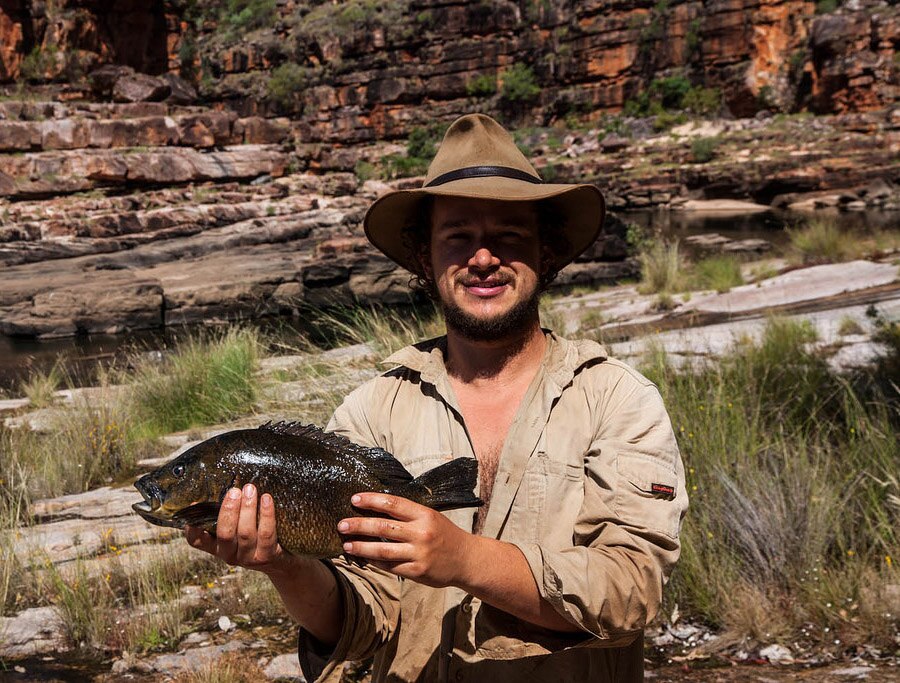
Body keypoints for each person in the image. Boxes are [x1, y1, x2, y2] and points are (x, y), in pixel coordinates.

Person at [185, 113, 688, 682]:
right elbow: (358, 622)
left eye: (509, 236)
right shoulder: (371, 413)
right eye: (458, 237)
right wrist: (284, 567)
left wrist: (465, 560)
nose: (482, 258)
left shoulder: (616, 400)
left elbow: (631, 591)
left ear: (546, 253)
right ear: (426, 259)